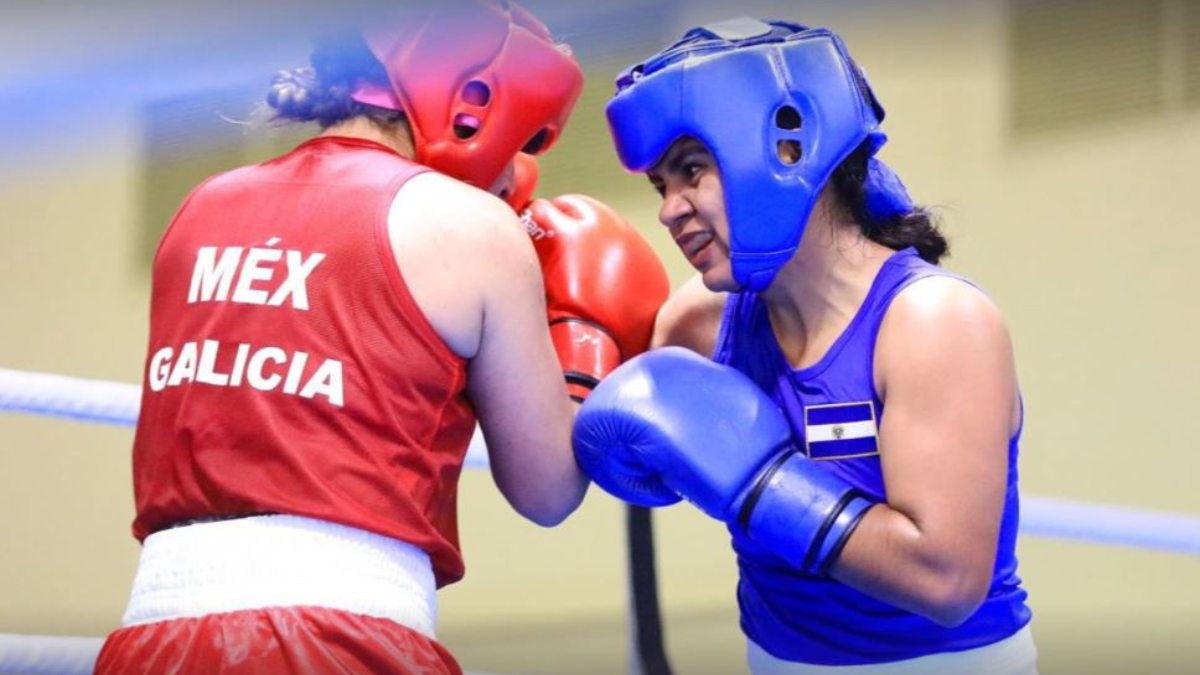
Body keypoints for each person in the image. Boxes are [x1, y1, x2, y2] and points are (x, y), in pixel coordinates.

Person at [96, 2, 669, 673]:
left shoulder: (200, 206)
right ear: (473, 101)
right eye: (520, 139)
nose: (515, 176)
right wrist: (583, 345)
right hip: (337, 641)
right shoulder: (472, 226)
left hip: (150, 636)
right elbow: (547, 492)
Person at [573, 18, 1037, 674]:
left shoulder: (933, 323)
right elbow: (584, 464)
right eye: (660, 186)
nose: (669, 210)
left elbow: (946, 581)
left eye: (692, 171)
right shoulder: (701, 321)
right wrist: (565, 338)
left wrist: (762, 483)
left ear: (785, 150)